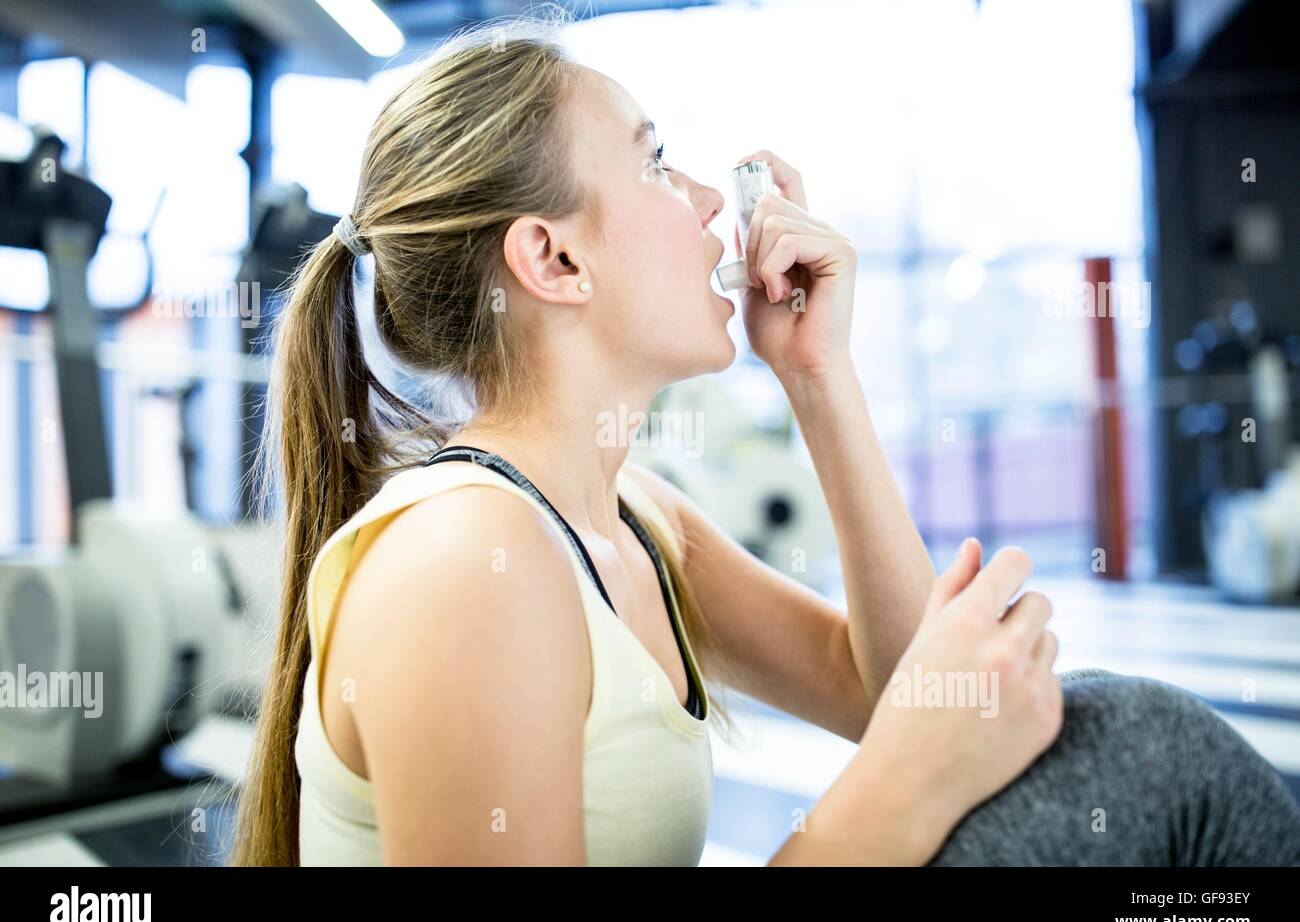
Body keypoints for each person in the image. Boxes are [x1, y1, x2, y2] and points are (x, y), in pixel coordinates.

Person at [230, 9, 1300, 866]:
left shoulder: (634, 519)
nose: (706, 200)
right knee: (1145, 752)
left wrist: (818, 379)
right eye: (655, 165)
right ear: (552, 261)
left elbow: (886, 687)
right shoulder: (466, 566)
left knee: (1128, 735)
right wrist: (898, 784)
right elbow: (910, 737)